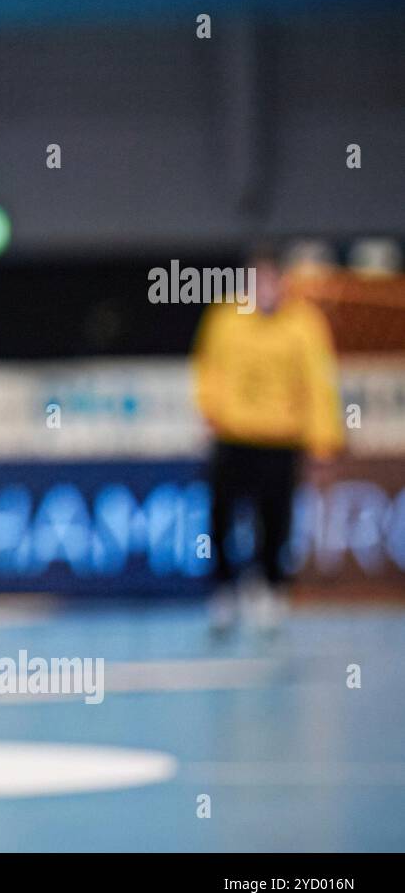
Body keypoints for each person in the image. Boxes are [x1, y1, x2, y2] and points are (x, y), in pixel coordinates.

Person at [191, 244, 344, 633]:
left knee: (274, 519)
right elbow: (209, 369)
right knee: (221, 514)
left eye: (270, 281)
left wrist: (324, 438)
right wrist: (211, 412)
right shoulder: (225, 318)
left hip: (280, 438)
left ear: (282, 283)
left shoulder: (304, 323)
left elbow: (318, 383)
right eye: (256, 281)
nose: (264, 290)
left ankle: (270, 589)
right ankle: (224, 590)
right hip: (234, 435)